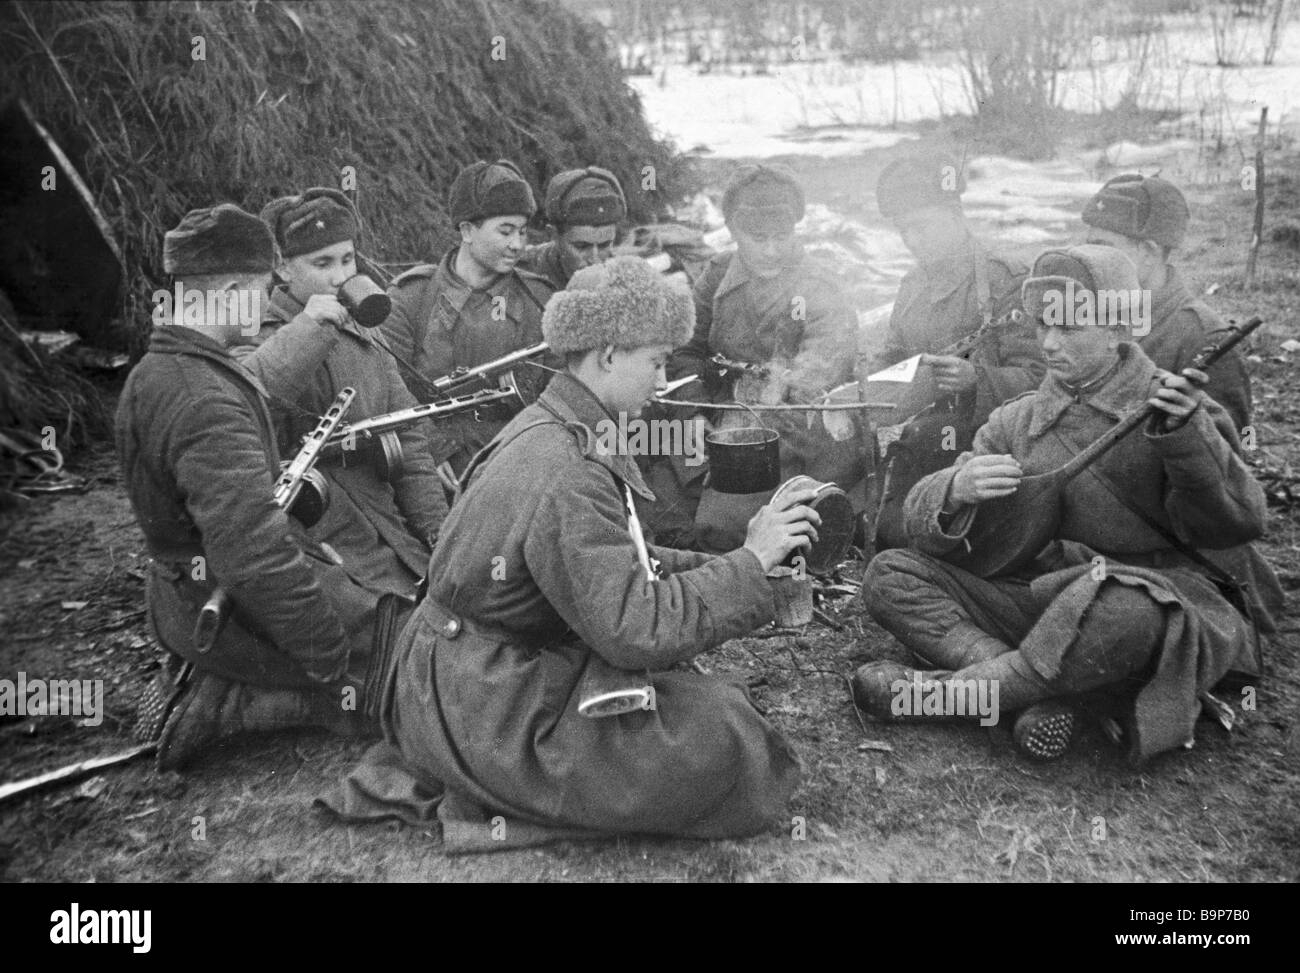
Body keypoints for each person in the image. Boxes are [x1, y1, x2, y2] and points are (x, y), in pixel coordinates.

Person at [367, 257, 812, 840]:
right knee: (724, 736)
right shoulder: (571, 467)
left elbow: (626, 557)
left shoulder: (550, 422)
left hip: (456, 676)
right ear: (606, 354)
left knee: (708, 708)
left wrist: (748, 563)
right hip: (482, 702)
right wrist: (749, 565)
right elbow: (634, 630)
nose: (662, 382)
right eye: (655, 361)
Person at [851, 245, 1281, 764]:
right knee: (892, 575)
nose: (1050, 344)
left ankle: (954, 696)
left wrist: (1187, 438)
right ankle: (1033, 691)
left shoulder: (1180, 409)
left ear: (1119, 329)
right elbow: (928, 528)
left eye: (1070, 329)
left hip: (1151, 598)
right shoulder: (1018, 419)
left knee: (1127, 610)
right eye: (1042, 326)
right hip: (1042, 597)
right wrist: (955, 488)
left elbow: (1238, 523)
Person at [116, 204, 384, 771]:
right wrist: (325, 650)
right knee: (405, 678)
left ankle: (237, 683)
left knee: (395, 641)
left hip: (191, 594)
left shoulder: (159, 370)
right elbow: (252, 552)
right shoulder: (204, 397)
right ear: (234, 290)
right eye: (262, 290)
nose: (266, 304)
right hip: (226, 606)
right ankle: (229, 703)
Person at [230, 187, 445, 601]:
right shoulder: (253, 330)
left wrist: (436, 530)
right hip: (310, 526)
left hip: (380, 516)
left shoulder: (363, 329)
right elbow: (246, 404)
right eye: (322, 263)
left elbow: (408, 439)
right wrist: (309, 329)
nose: (340, 276)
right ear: (282, 268)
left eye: (347, 259)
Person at [653, 163, 863, 550]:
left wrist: (745, 425)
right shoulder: (718, 275)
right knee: (657, 500)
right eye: (758, 238)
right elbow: (685, 349)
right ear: (734, 233)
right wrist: (693, 412)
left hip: (797, 429)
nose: (771, 250)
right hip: (718, 416)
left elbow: (815, 379)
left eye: (781, 237)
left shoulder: (820, 286)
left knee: (721, 529)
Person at [871, 151, 1044, 549]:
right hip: (924, 435)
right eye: (903, 231)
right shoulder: (912, 286)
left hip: (991, 441)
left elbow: (1041, 379)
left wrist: (975, 380)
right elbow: (894, 356)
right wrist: (867, 383)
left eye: (921, 227)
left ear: (955, 213)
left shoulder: (1006, 281)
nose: (912, 241)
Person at [382, 159, 558, 476]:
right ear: (467, 230)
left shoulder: (539, 300)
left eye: (522, 232)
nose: (517, 244)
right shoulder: (411, 298)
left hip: (517, 462)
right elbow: (387, 387)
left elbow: (559, 392)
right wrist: (434, 449)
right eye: (505, 231)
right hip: (431, 468)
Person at [1081, 173, 1251, 430]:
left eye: (1103, 248)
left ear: (1149, 253)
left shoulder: (1205, 338)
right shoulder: (1092, 313)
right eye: (1088, 246)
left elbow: (1231, 444)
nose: (1087, 259)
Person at [519, 166, 626, 289]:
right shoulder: (518, 272)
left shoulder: (624, 278)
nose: (595, 260)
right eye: (581, 246)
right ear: (553, 235)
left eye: (604, 245)